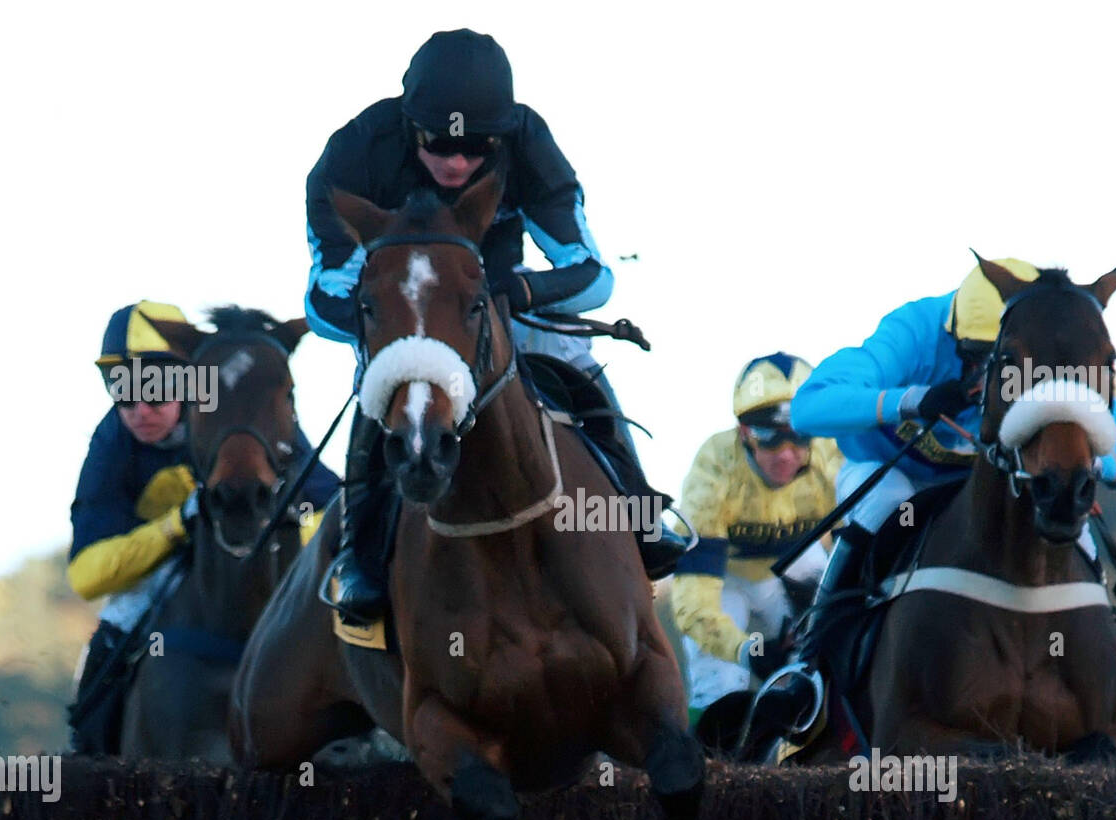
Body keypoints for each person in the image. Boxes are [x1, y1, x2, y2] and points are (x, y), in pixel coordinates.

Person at [304, 27, 688, 622]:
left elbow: (592, 273)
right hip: (405, 312)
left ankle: (637, 511)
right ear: (410, 127)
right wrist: (394, 325)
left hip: (499, 302)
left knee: (574, 357)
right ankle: (360, 554)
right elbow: (323, 297)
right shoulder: (354, 155)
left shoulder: (529, 141)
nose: (458, 161)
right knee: (382, 380)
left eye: (480, 147)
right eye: (440, 144)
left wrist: (525, 288)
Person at [749, 258, 1116, 750]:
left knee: (1080, 537)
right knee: (886, 501)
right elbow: (810, 406)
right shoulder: (915, 329)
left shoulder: (1038, 359)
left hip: (987, 483)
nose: (978, 376)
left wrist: (1089, 464)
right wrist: (909, 400)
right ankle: (808, 671)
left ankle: (1115, 699)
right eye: (971, 356)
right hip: (896, 471)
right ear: (954, 329)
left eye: (997, 365)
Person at [66, 301, 339, 755]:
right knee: (114, 625)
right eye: (121, 388)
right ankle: (89, 758)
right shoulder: (112, 442)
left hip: (265, 572)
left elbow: (331, 508)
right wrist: (176, 526)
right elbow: (87, 576)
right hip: (160, 576)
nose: (138, 409)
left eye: (157, 387)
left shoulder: (248, 418)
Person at [670, 354, 841, 727]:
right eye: (768, 435)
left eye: (799, 435)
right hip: (722, 579)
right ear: (744, 432)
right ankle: (710, 771)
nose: (785, 453)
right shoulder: (714, 468)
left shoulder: (833, 454)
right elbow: (695, 603)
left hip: (794, 560)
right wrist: (750, 652)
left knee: (829, 653)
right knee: (722, 684)